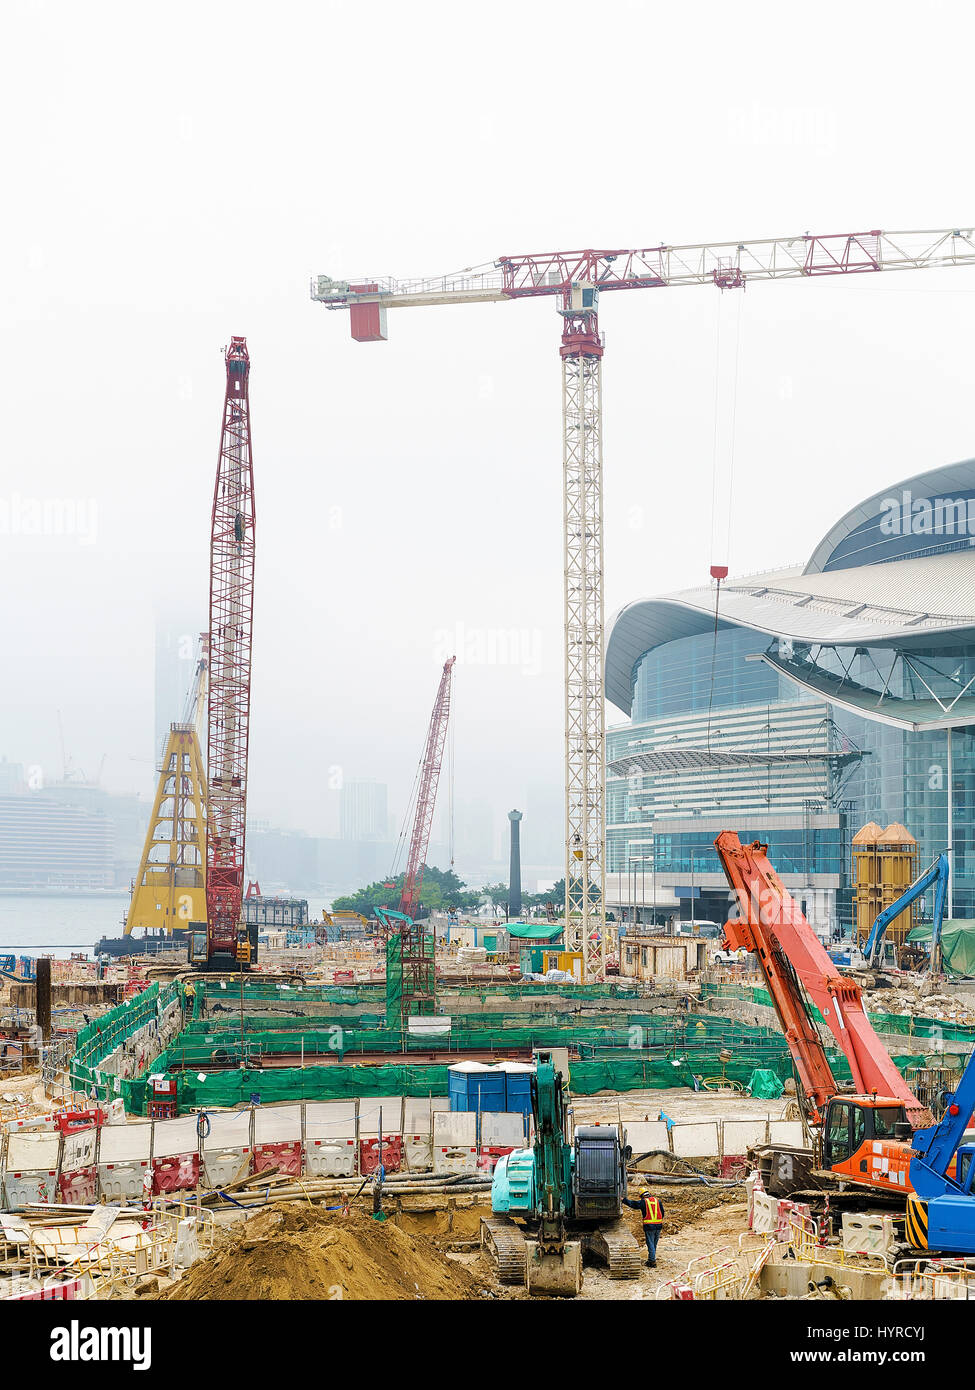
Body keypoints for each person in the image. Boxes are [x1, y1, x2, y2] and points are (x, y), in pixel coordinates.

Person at [622, 1186, 665, 1267]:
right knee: (654, 1243)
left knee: (650, 1243)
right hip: (659, 1225)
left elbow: (633, 1204)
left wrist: (623, 1200)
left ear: (641, 1196)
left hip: (649, 1226)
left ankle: (652, 1261)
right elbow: (662, 1212)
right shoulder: (657, 1201)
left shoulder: (644, 1202)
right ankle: (652, 1258)